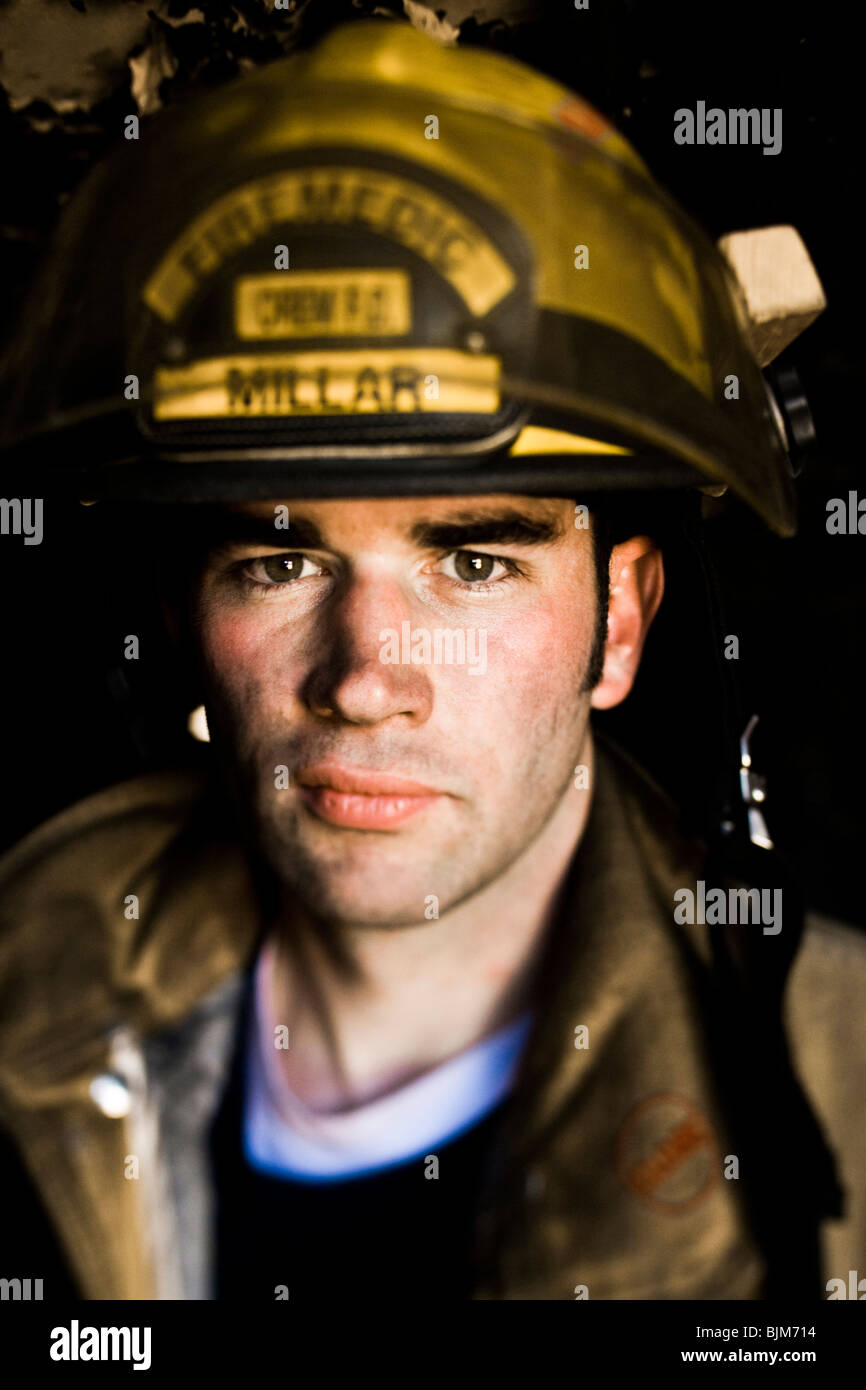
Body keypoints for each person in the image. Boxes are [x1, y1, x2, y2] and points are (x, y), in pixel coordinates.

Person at [0, 18, 862, 1303]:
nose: (361, 676)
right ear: (184, 623)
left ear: (616, 628)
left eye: (472, 562)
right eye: (279, 563)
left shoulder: (835, 1080)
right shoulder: (22, 989)